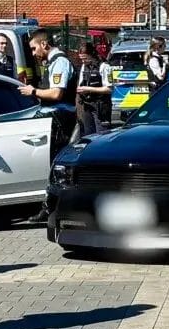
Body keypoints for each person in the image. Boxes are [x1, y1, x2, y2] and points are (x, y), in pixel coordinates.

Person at [17, 30, 77, 226]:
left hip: (59, 119)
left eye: (34, 48)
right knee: (50, 164)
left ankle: (52, 208)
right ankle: (51, 206)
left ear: (44, 44)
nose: (33, 53)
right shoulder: (52, 62)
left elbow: (56, 93)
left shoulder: (60, 62)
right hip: (54, 118)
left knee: (55, 165)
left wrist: (33, 91)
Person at [75, 43, 112, 138]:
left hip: (101, 107)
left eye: (85, 58)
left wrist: (89, 89)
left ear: (92, 55)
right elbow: (81, 84)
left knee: (102, 136)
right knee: (89, 136)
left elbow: (109, 89)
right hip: (87, 105)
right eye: (81, 59)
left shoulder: (104, 66)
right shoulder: (84, 66)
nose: (83, 61)